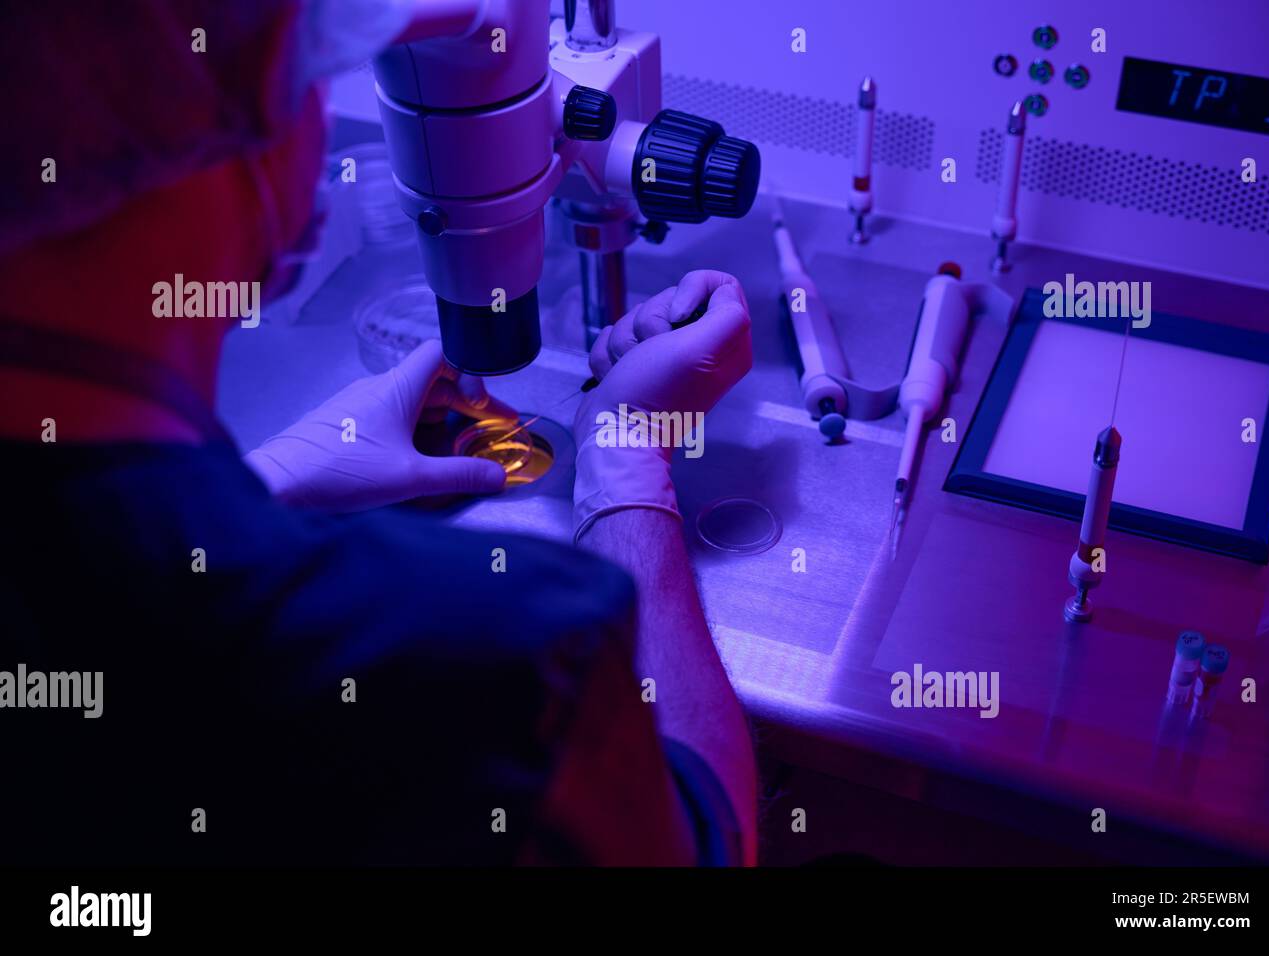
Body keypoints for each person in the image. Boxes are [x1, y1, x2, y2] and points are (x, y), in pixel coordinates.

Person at [0, 1, 756, 865]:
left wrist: (268, 483)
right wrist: (626, 460)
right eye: (313, 72)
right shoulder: (508, 654)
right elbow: (712, 843)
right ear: (250, 125)